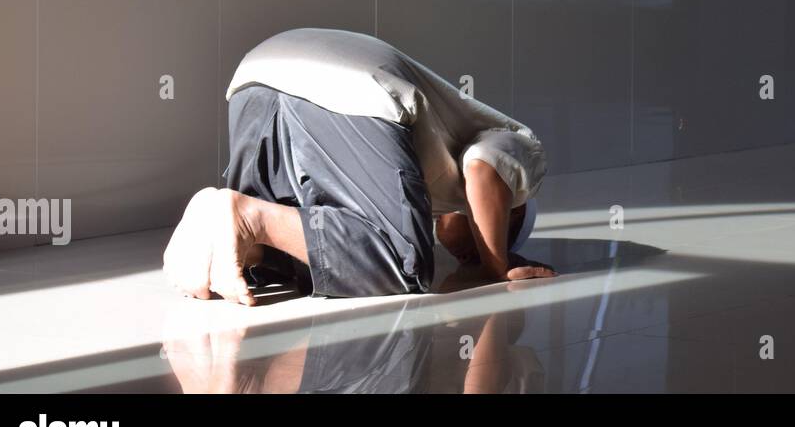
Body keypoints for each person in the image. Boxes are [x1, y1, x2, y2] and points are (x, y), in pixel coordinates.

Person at [163, 28, 555, 305]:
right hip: (354, 86)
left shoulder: (431, 189)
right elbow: (486, 170)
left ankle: (221, 219)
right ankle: (245, 215)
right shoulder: (520, 145)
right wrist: (497, 264)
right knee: (403, 262)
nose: (465, 255)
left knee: (280, 258)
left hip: (257, 77)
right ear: (513, 209)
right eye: (485, 242)